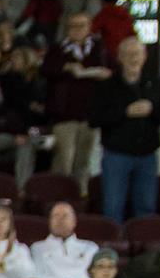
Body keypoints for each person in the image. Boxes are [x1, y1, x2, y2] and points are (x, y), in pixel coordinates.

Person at [90, 37, 160, 221]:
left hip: (147, 155)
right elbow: (94, 119)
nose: (133, 58)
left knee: (146, 206)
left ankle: (145, 246)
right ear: (120, 57)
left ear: (144, 56)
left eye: (137, 54)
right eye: (128, 54)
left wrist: (152, 111)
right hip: (116, 155)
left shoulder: (157, 84)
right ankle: (114, 247)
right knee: (113, 206)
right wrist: (124, 112)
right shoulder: (106, 86)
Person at [41, 13, 110, 194]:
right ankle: (58, 197)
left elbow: (110, 71)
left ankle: (79, 197)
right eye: (73, 26)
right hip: (64, 115)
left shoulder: (99, 49)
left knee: (83, 161)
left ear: (89, 28)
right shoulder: (58, 50)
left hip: (90, 115)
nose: (77, 30)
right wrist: (67, 68)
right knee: (64, 159)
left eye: (82, 26)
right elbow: (46, 69)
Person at [29, 202, 97, 278]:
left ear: (74, 221)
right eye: (56, 216)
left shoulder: (90, 247)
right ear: (50, 221)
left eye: (65, 216)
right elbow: (37, 277)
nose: (60, 220)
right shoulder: (37, 248)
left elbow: (97, 276)